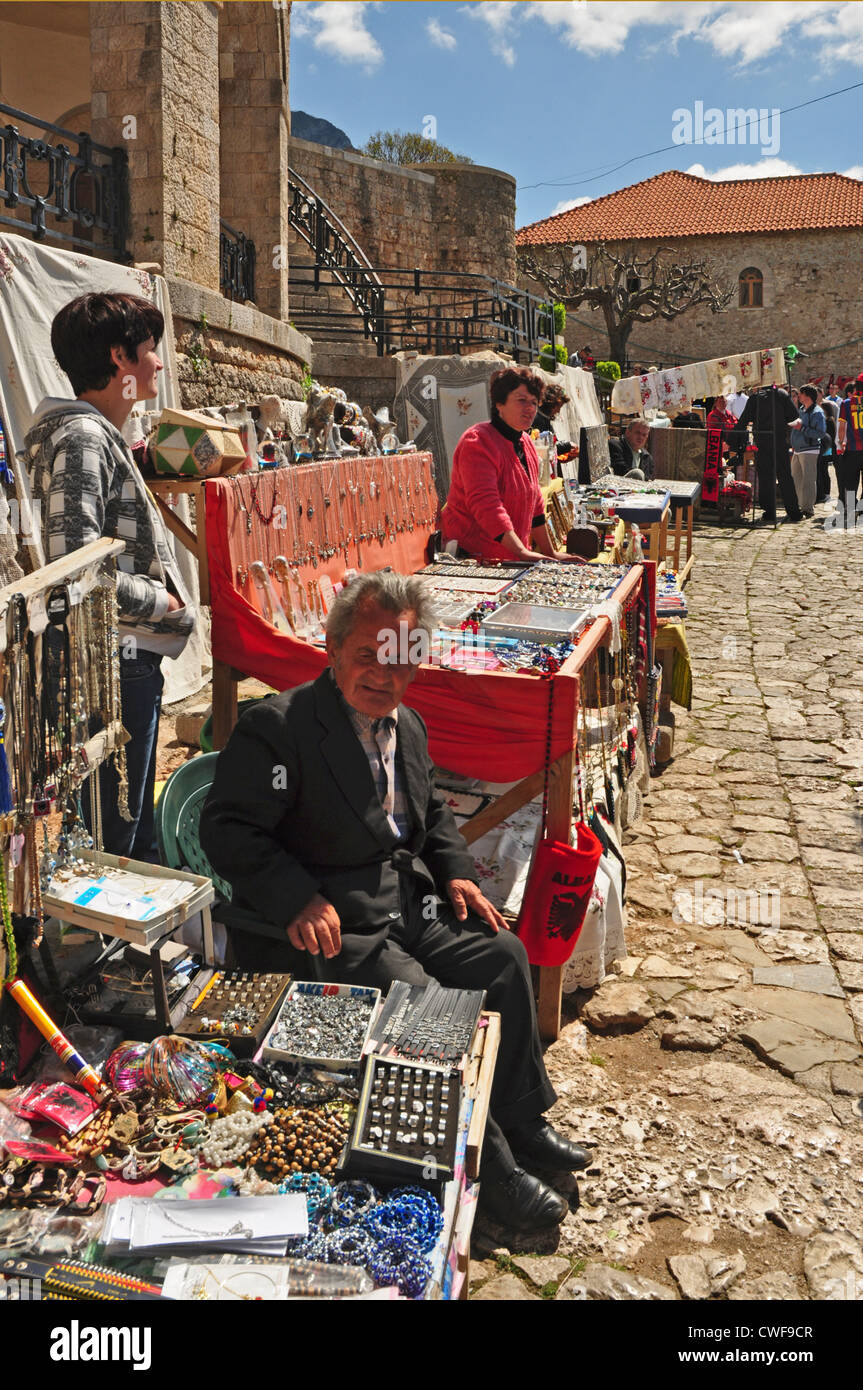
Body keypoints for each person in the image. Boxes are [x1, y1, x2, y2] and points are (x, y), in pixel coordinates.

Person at [200, 571, 590, 1232]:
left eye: (401, 661)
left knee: (499, 954)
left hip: (403, 903)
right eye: (367, 656)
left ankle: (519, 1116)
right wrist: (296, 898)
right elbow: (228, 830)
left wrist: (456, 871)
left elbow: (430, 813)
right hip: (327, 924)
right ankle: (491, 1171)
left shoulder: (405, 725)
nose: (384, 676)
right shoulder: (279, 729)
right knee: (428, 1007)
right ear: (333, 648)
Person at [26, 292, 195, 859]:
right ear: (120, 358)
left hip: (120, 660)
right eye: (150, 350)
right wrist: (161, 604)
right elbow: (72, 570)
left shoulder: (95, 436)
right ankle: (113, 943)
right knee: (116, 834)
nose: (159, 364)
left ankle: (126, 941)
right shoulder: (81, 438)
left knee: (127, 825)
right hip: (109, 666)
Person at [441, 367, 582, 563]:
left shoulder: (526, 443)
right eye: (521, 400)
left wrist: (551, 553)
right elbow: (487, 507)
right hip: (474, 557)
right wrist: (522, 553)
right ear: (499, 403)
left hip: (511, 557)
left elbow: (536, 506)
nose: (530, 408)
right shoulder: (477, 442)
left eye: (534, 402)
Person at [737, 385, 801, 525]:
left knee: (766, 478)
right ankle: (794, 511)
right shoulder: (781, 394)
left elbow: (744, 419)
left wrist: (732, 439)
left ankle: (770, 512)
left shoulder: (756, 398)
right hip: (778, 441)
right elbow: (794, 416)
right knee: (784, 476)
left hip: (763, 441)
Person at [789, 384, 827, 518]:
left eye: (801, 393)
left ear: (807, 396)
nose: (798, 396)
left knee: (808, 480)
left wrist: (802, 429)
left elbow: (821, 433)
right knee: (796, 478)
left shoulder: (817, 412)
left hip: (810, 450)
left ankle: (808, 508)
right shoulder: (801, 409)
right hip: (798, 450)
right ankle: (801, 505)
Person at [836, 374, 863, 506]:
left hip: (852, 449)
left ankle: (851, 507)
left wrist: (841, 444)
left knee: (851, 482)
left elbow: (842, 428)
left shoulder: (846, 403)